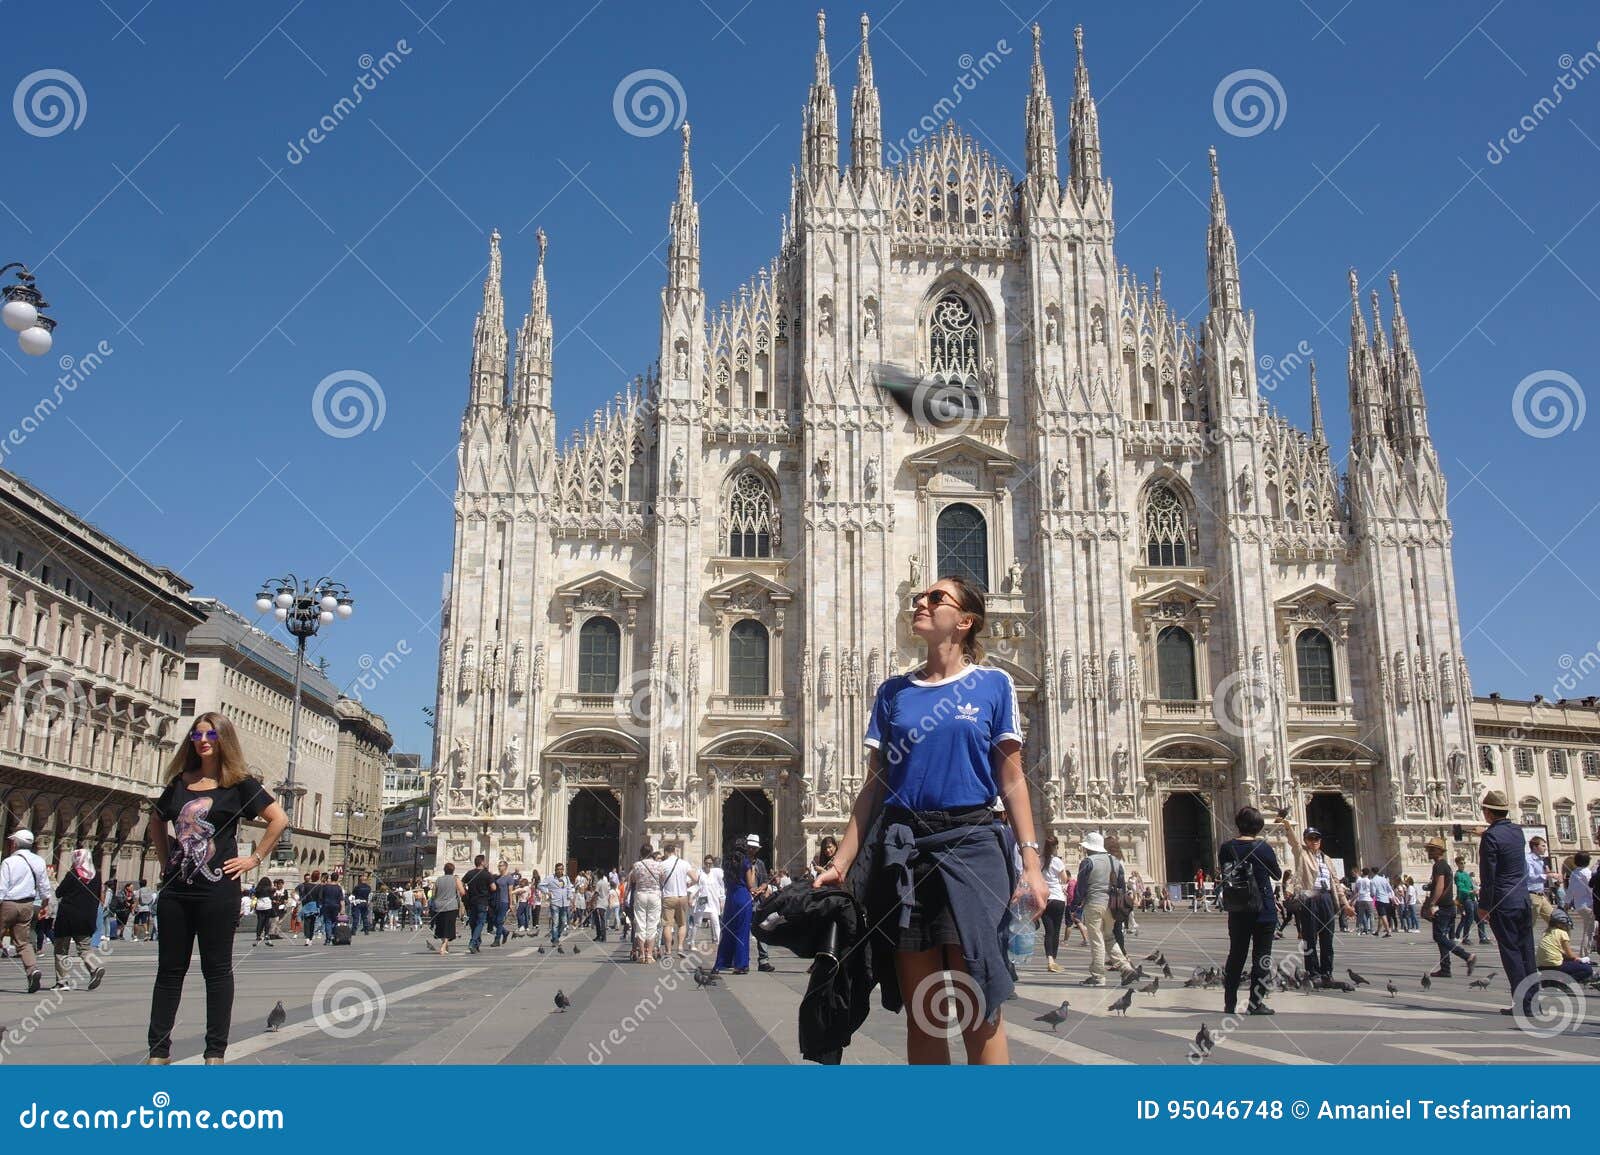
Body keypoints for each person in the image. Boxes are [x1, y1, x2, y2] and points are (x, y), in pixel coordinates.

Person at [815, 575, 1048, 1065]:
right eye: (921, 596)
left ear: (964, 622)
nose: (922, 601)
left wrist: (1031, 866)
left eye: (936, 598)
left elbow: (1012, 779)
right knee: (923, 1008)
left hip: (973, 844)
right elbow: (874, 787)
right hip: (906, 851)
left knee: (977, 1000)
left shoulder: (993, 684)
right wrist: (841, 861)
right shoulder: (894, 692)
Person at [144, 712, 288, 1065]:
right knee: (169, 972)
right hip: (177, 890)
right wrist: (165, 862)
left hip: (218, 890)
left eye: (210, 734)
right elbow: (156, 820)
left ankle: (215, 1052)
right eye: (197, 735)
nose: (203, 740)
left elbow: (278, 819)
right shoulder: (180, 782)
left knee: (217, 971)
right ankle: (158, 1052)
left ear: (223, 739)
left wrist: (253, 859)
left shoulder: (239, 784)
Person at [1217, 806, 1282, 1015]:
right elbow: (1277, 874)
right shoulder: (1263, 848)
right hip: (1264, 909)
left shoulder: (1227, 848)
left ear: (1238, 824)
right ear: (1259, 826)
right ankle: (1256, 1002)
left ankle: (1230, 1003)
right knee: (1262, 956)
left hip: (1238, 909)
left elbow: (1225, 871)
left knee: (1236, 955)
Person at [1477, 789, 1536, 1018]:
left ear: (1489, 813)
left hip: (1503, 901)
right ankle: (1532, 1001)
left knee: (1511, 952)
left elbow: (1488, 875)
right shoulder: (1517, 832)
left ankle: (1522, 1003)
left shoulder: (1490, 837)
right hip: (1522, 898)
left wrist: (1484, 905)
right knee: (1526, 952)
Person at [1278, 816, 1350, 985]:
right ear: (1305, 841)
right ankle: (1313, 972)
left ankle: (1327, 973)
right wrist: (1286, 824)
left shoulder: (1327, 860)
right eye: (1310, 838)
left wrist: (1345, 904)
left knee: (1327, 938)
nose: (1314, 841)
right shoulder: (1302, 853)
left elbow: (1336, 883)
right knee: (1310, 938)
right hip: (1310, 897)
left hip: (1326, 898)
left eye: (1317, 838)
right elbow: (1293, 841)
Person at [1073, 831, 1134, 986]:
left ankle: (1098, 976)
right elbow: (1121, 884)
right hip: (1111, 906)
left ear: (1088, 847)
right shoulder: (1115, 861)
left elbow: (1081, 886)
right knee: (1109, 937)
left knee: (1097, 940)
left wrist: (1075, 905)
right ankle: (1125, 967)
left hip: (1094, 904)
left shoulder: (1087, 862)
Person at [0, 828, 52, 994]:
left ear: (15, 843)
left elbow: (2, 887)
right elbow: (44, 886)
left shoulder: (9, 862)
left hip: (8, 904)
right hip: (27, 905)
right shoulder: (38, 861)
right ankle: (32, 970)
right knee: (23, 942)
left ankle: (32, 971)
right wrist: (45, 904)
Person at [1421, 837, 1476, 978]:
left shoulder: (1439, 866)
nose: (1428, 852)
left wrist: (1432, 904)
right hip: (1449, 907)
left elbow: (1440, 886)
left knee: (1438, 936)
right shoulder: (1445, 866)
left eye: (1431, 849)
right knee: (1442, 938)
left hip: (1443, 907)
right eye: (1429, 849)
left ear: (1439, 851)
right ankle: (1445, 969)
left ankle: (1467, 956)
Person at [51, 849, 104, 992]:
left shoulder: (73, 874)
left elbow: (59, 892)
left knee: (61, 949)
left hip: (67, 916)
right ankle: (94, 968)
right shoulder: (97, 876)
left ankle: (62, 982)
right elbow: (99, 895)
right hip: (87, 917)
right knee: (84, 948)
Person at [714, 836, 756, 975]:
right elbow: (750, 885)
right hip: (743, 897)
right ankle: (741, 964)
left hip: (730, 898)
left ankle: (722, 963)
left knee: (728, 931)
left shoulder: (726, 862)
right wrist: (753, 871)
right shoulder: (746, 862)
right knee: (742, 932)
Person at [1536, 908, 1593, 983]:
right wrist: (1581, 959)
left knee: (1568, 961)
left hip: (1541, 967)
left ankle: (1550, 980)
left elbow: (1559, 953)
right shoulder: (1562, 933)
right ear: (1560, 924)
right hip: (1555, 966)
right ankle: (1562, 982)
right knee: (1587, 969)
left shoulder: (1547, 932)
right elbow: (1570, 955)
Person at [1040, 836, 1068, 974]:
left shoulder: (1040, 860)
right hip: (1057, 899)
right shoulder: (1057, 861)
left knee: (1048, 932)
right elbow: (1065, 879)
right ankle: (1054, 962)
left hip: (1045, 899)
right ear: (1055, 847)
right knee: (1056, 931)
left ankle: (1050, 960)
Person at [461, 855, 496, 953]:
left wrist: (465, 892)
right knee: (480, 923)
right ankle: (472, 942)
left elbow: (461, 883)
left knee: (473, 923)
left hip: (472, 901)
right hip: (483, 901)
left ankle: (476, 943)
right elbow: (493, 888)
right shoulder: (487, 874)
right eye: (485, 861)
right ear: (482, 862)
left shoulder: (469, 873)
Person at [430, 863, 464, 955]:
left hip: (439, 906)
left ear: (444, 870)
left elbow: (433, 894)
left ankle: (445, 945)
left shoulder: (438, 879)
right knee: (449, 927)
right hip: (451, 906)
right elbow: (462, 892)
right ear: (453, 870)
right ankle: (443, 946)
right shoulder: (455, 879)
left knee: (441, 927)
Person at [1568, 852, 1594, 957]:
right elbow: (1591, 888)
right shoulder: (1587, 872)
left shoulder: (1574, 873)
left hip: (1579, 905)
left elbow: (1570, 890)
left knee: (1588, 929)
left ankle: (1586, 952)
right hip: (1588, 904)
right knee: (1589, 931)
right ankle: (1584, 955)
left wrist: (1566, 903)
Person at [1526, 835, 1553, 935]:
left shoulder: (1540, 860)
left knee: (1557, 921)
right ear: (1534, 847)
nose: (1545, 848)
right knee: (1528, 926)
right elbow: (1530, 877)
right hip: (1532, 895)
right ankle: (1523, 948)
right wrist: (1547, 875)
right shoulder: (1528, 859)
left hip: (1541, 895)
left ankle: (1549, 942)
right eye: (1543, 846)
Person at [540, 863, 572, 945]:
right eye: (558, 869)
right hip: (555, 902)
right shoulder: (550, 878)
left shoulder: (566, 878)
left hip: (564, 903)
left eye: (561, 869)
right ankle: (555, 940)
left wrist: (570, 898)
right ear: (555, 870)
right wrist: (548, 892)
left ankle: (556, 935)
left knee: (563, 922)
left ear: (563, 870)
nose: (559, 871)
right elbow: (540, 885)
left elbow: (569, 888)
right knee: (556, 922)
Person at [320, 874, 345, 945]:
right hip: (336, 906)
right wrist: (342, 909)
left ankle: (328, 938)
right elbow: (341, 900)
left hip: (326, 905)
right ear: (337, 879)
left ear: (331, 878)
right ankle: (333, 936)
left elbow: (321, 897)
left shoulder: (325, 887)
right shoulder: (339, 888)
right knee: (334, 922)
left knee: (328, 921)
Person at [251, 876, 275, 944]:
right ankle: (266, 934)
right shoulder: (269, 889)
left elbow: (255, 896)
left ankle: (258, 935)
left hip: (259, 905)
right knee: (267, 920)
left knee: (260, 921)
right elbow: (272, 896)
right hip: (267, 905)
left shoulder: (258, 889)